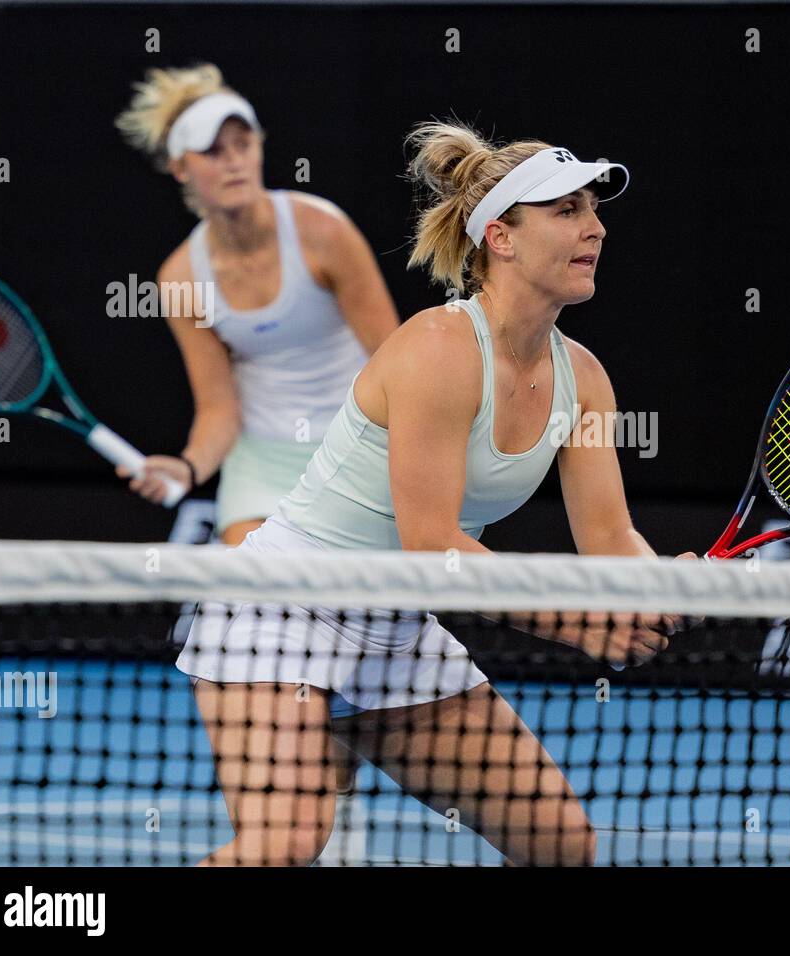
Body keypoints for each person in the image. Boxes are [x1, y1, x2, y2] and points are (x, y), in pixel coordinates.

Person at [176, 120, 695, 866]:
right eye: (568, 210)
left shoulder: (584, 381)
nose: (596, 228)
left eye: (594, 208)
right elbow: (430, 546)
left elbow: (611, 538)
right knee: (283, 844)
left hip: (392, 633)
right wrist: (576, 621)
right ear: (501, 239)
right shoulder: (438, 349)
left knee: (562, 845)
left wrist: (651, 586)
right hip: (279, 607)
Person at [113, 64, 398, 544]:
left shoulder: (324, 232)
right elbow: (219, 410)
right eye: (212, 151)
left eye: (243, 144)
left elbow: (396, 361)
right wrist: (188, 466)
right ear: (181, 166)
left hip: (358, 446)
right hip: (262, 464)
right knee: (255, 593)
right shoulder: (180, 277)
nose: (233, 162)